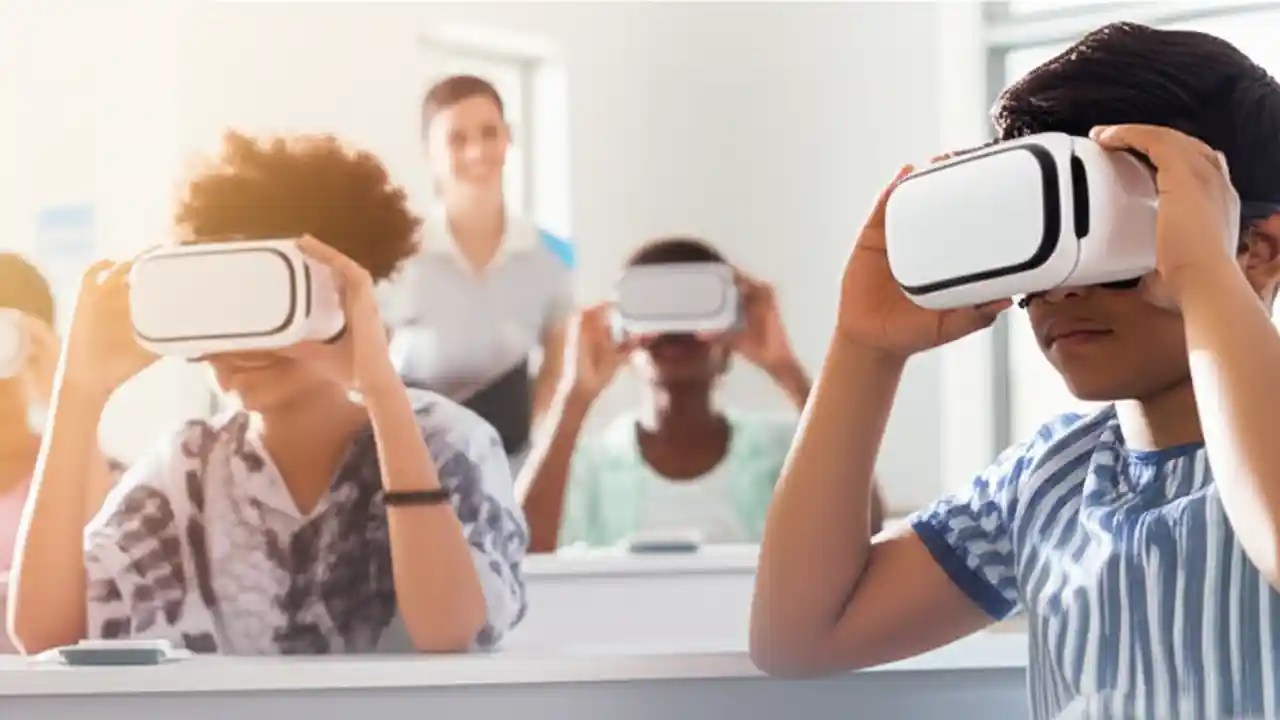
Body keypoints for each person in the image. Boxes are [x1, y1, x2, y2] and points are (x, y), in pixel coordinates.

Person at [749, 22, 1280, 719]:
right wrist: (865, 348)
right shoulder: (1047, 479)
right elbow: (800, 636)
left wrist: (1204, 274)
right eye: (1044, 240)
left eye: (1106, 234)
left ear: (1260, 252)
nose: (1061, 288)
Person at [8, 131, 528, 656]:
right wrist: (77, 393)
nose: (241, 338)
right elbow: (44, 635)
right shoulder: (187, 470)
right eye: (217, 299)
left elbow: (449, 632)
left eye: (263, 297)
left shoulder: (448, 443)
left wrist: (380, 390)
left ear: (343, 294)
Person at [519, 237, 885, 553]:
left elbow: (866, 530)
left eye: (696, 305)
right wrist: (574, 397)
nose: (675, 331)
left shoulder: (789, 449)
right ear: (623, 330)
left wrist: (786, 369)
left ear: (732, 332)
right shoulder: (585, 465)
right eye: (656, 309)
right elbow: (521, 555)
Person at [380, 75, 575, 469]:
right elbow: (365, 367)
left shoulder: (548, 255)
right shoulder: (399, 255)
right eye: (457, 139)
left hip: (512, 462)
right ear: (428, 153)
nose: (476, 152)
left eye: (489, 133)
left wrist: (534, 447)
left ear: (508, 138)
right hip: (416, 462)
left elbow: (559, 366)